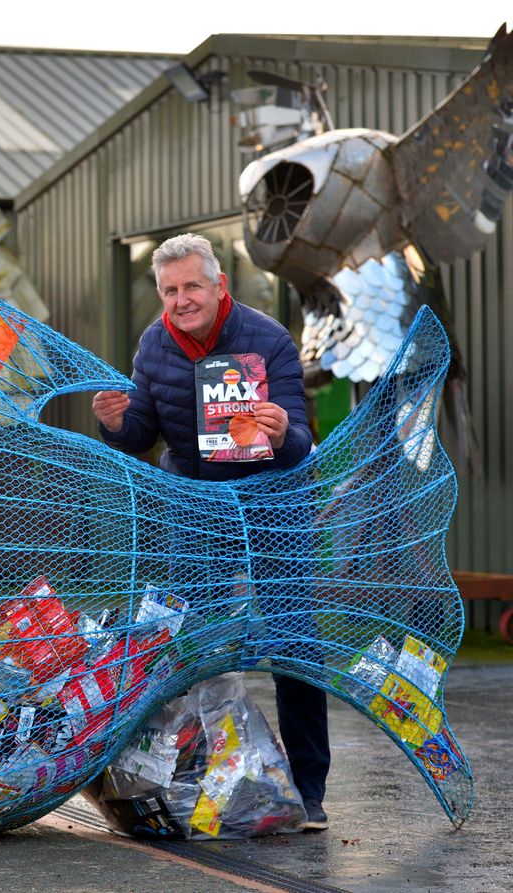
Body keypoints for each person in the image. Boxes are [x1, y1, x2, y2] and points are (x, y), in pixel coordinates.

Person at [92, 233, 330, 832]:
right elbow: (142, 434)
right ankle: (200, 781)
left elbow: (301, 440)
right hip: (196, 505)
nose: (180, 300)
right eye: (169, 290)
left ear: (219, 285)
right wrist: (116, 426)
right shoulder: (153, 343)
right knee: (193, 642)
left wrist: (280, 434)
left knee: (292, 637)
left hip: (273, 501)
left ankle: (309, 787)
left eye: (191, 286)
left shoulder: (268, 340)